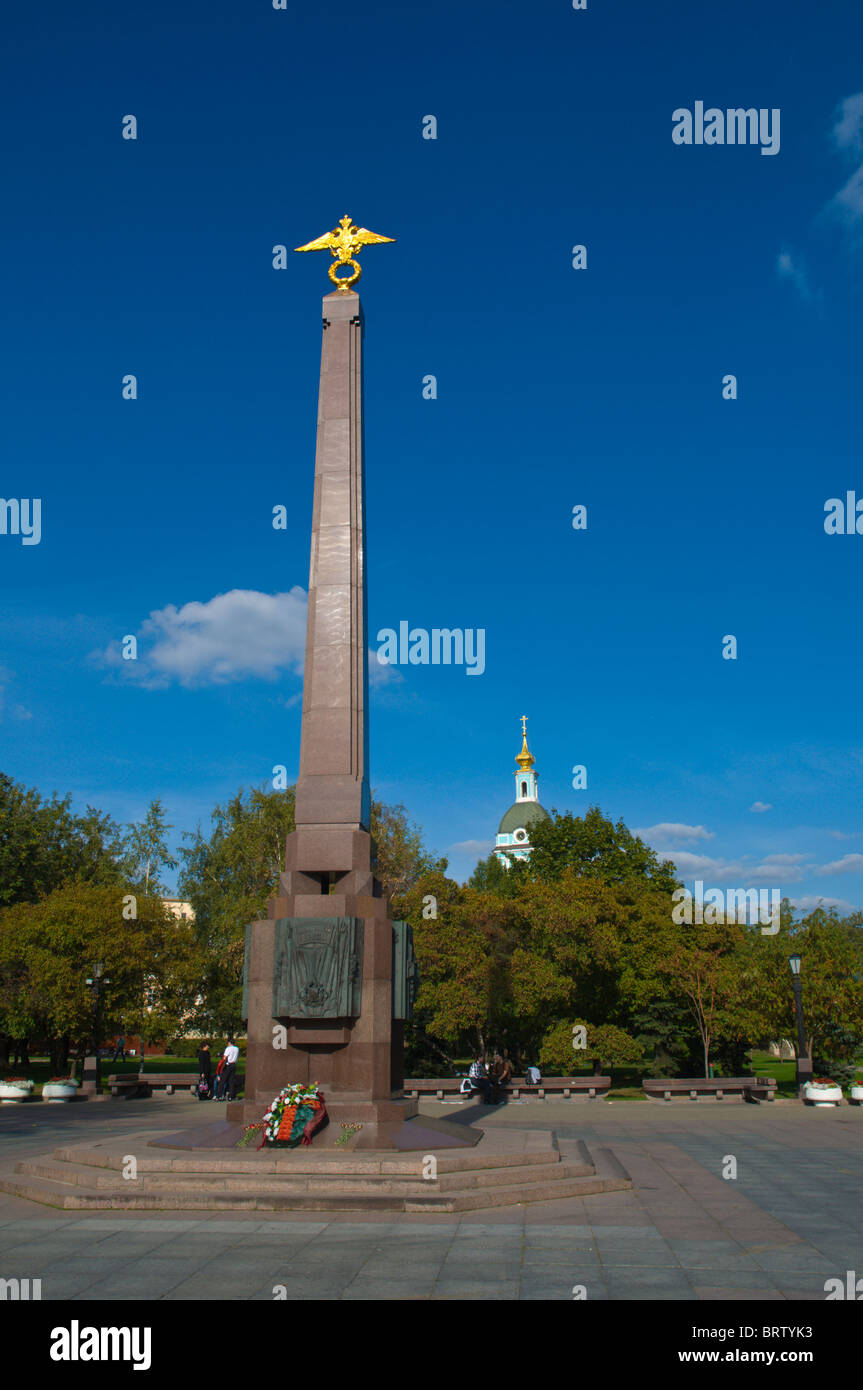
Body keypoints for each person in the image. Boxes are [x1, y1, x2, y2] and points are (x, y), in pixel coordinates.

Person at [220, 1037, 240, 1102]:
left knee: (223, 1080)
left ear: (229, 1043)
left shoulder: (228, 1049)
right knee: (231, 1081)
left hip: (228, 1064)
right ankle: (231, 1096)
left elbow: (224, 1057)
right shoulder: (237, 1049)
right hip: (234, 1064)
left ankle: (219, 1095)